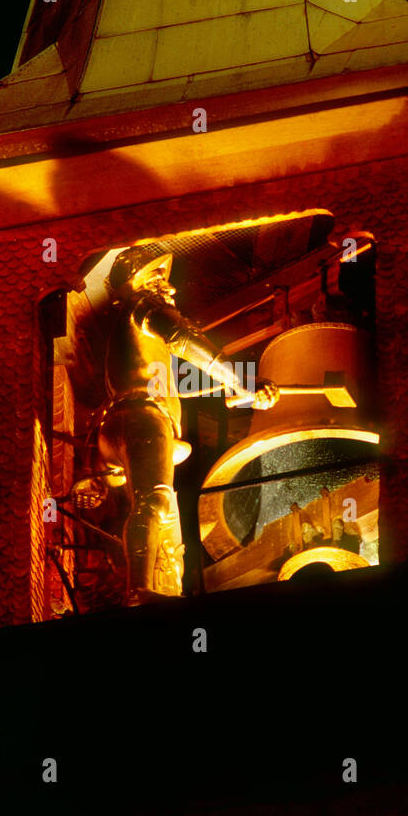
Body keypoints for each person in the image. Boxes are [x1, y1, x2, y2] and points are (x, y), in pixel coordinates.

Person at [76, 244, 278, 605]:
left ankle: (164, 588)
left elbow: (180, 380)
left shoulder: (138, 335)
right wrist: (241, 381)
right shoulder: (145, 309)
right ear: (139, 285)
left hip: (135, 421)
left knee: (164, 516)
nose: (168, 287)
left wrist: (238, 388)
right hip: (143, 419)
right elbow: (185, 339)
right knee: (153, 501)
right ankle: (139, 590)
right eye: (156, 277)